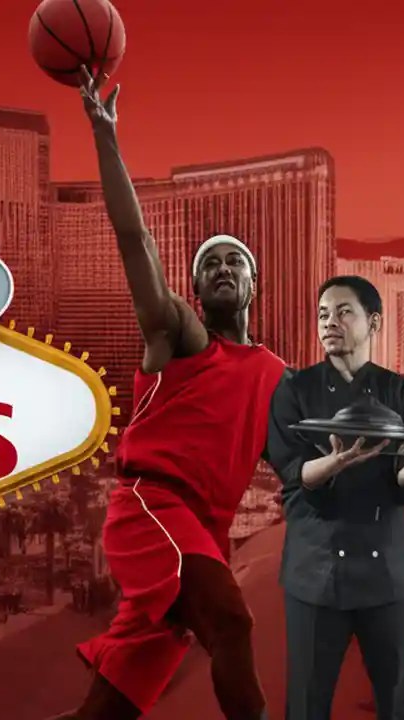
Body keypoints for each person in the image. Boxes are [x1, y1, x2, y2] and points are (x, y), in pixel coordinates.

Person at [54, 68, 286, 720]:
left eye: (232, 261)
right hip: (153, 510)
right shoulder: (181, 337)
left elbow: (298, 449)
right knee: (233, 627)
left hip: (201, 533)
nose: (219, 268)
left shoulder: (272, 371)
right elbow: (136, 242)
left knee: (105, 713)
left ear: (253, 283)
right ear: (194, 288)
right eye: (207, 262)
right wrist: (106, 138)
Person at [266, 275, 404, 720]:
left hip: (387, 573)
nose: (329, 322)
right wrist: (337, 463)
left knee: (396, 701)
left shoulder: (403, 394)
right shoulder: (294, 390)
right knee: (306, 703)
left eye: (343, 312)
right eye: (323, 314)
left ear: (373, 321)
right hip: (314, 569)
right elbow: (292, 472)